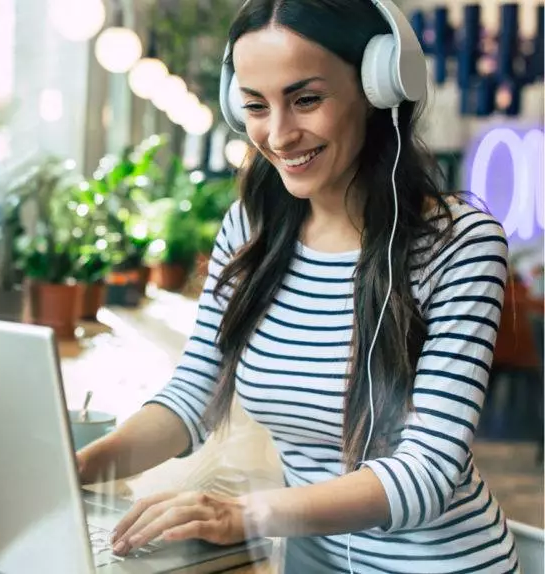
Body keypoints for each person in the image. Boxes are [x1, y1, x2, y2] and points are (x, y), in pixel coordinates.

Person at [74, 0, 520, 572]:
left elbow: (427, 473)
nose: (279, 135)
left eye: (306, 99)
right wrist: (85, 464)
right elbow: (193, 398)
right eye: (256, 106)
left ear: (379, 89)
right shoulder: (250, 230)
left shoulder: (461, 243)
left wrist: (242, 514)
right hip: (310, 560)